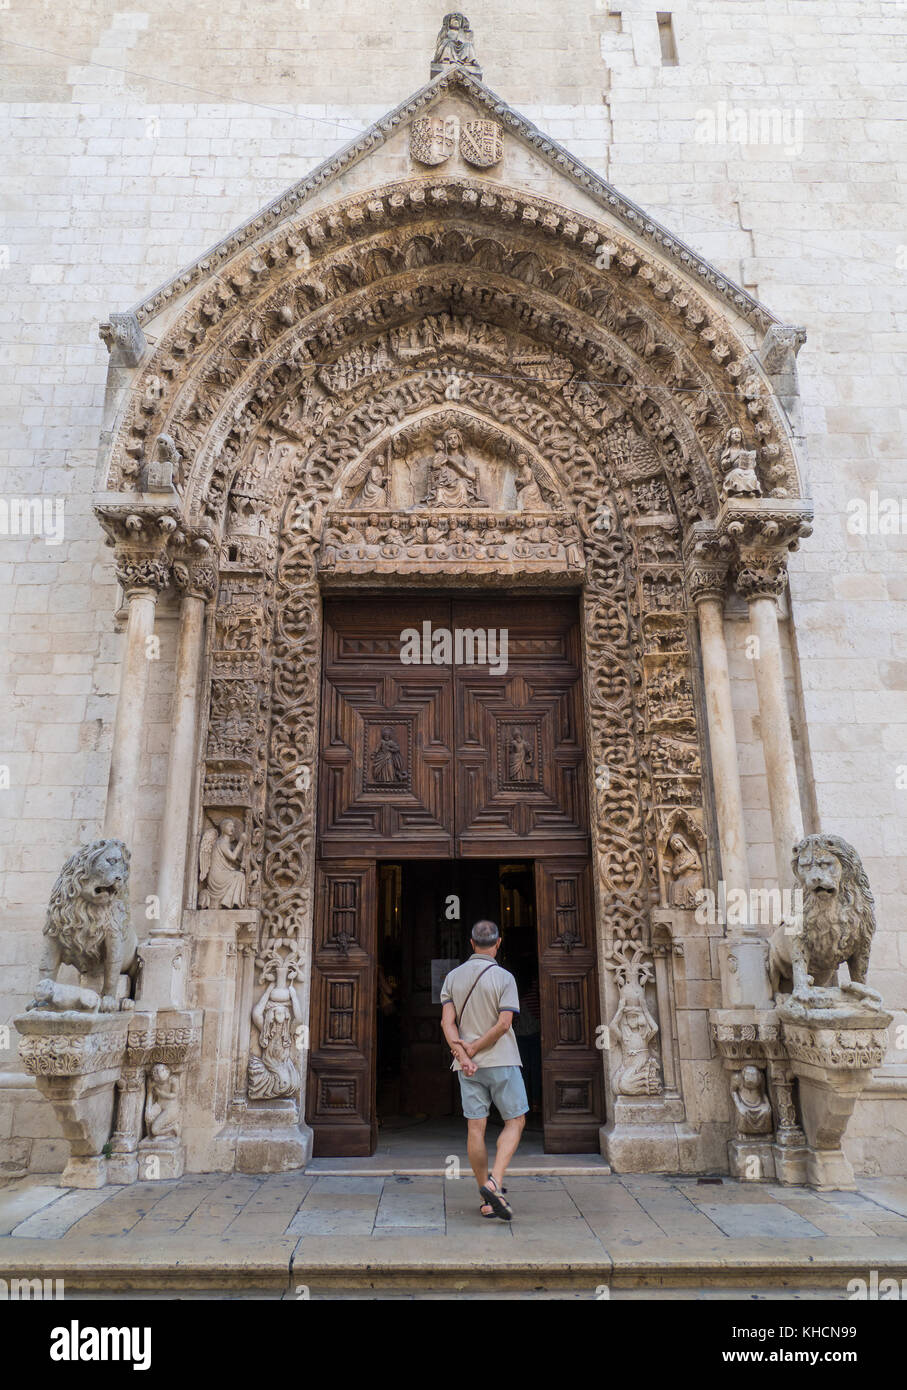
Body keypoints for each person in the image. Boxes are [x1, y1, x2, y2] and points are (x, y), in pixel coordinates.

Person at [440, 920, 527, 1220]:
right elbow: (505, 1024)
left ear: (471, 943)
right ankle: (496, 1181)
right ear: (498, 943)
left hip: (468, 1067)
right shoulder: (504, 978)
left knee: (475, 1128)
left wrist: (463, 1053)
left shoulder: (453, 977)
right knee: (515, 1121)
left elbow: (447, 1023)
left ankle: (486, 1200)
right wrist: (475, 1048)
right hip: (501, 1059)